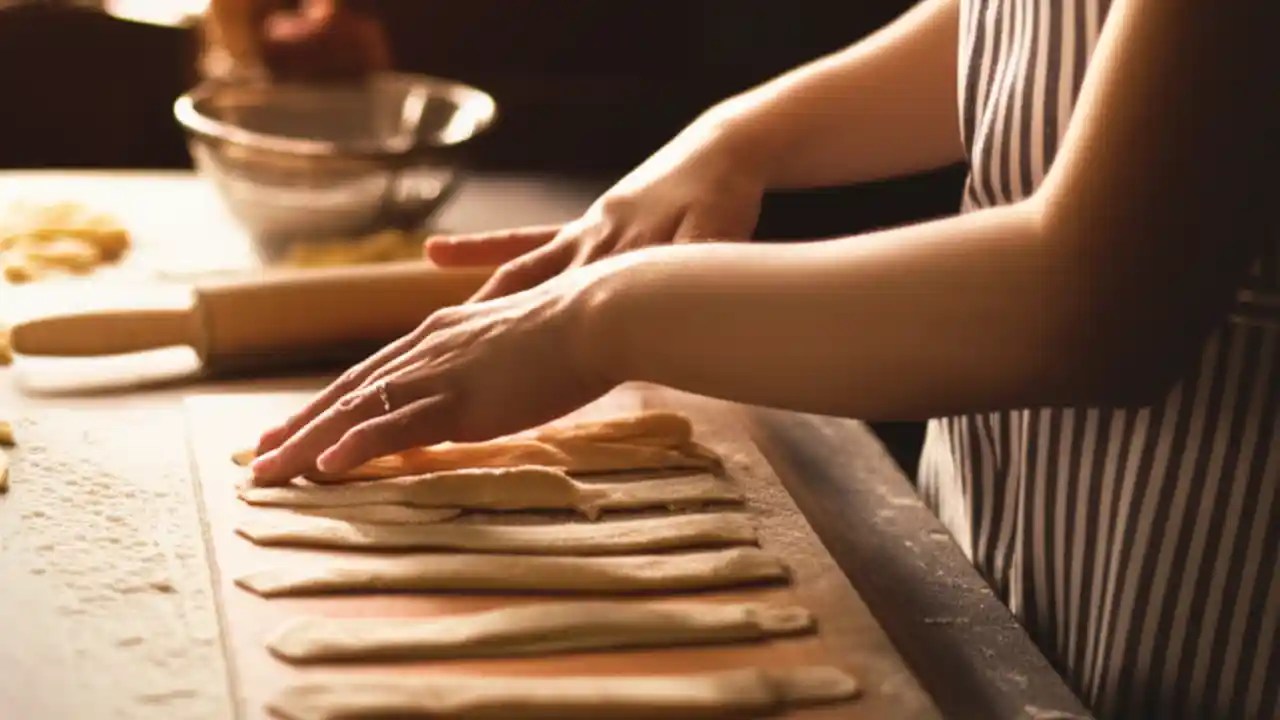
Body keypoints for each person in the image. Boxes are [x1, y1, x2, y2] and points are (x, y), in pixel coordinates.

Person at [245, 1, 1279, 718]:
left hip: (1201, 628)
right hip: (1010, 576)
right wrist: (746, 133)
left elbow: (1090, 304)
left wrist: (601, 315)